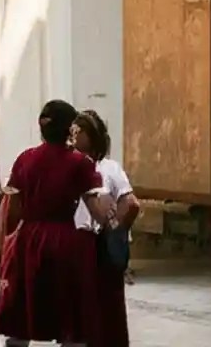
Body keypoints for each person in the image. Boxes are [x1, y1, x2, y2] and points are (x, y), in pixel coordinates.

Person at [0, 100, 111, 347]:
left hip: (27, 239)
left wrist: (7, 244)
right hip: (64, 241)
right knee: (69, 314)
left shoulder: (25, 159)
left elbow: (12, 209)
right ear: (69, 127)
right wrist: (111, 227)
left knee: (23, 309)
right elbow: (97, 210)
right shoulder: (80, 162)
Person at [71, 110, 140, 347]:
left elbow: (131, 204)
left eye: (80, 130)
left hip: (93, 242)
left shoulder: (107, 168)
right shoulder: (99, 167)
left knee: (98, 307)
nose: (74, 135)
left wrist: (114, 231)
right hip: (78, 243)